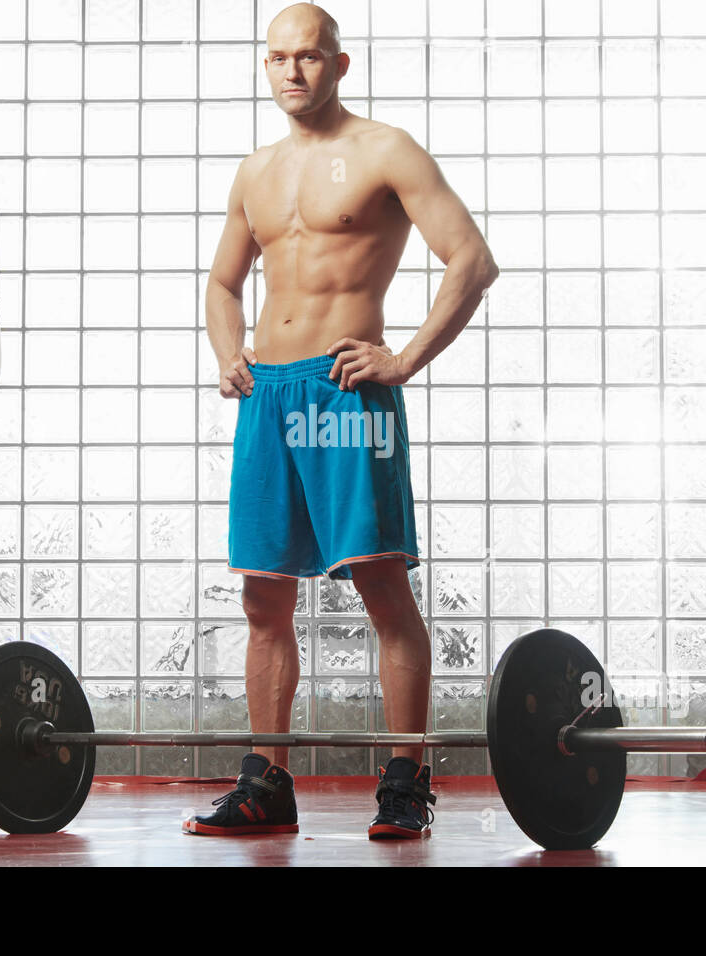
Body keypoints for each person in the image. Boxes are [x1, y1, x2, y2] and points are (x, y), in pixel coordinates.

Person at [186, 2, 497, 840]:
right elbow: (222, 284)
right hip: (270, 398)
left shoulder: (384, 150)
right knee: (262, 596)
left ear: (341, 64)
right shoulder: (255, 172)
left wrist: (404, 359)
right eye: (279, 58)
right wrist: (227, 354)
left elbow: (472, 259)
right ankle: (266, 784)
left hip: (344, 393)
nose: (294, 71)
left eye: (311, 57)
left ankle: (405, 780)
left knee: (381, 586)